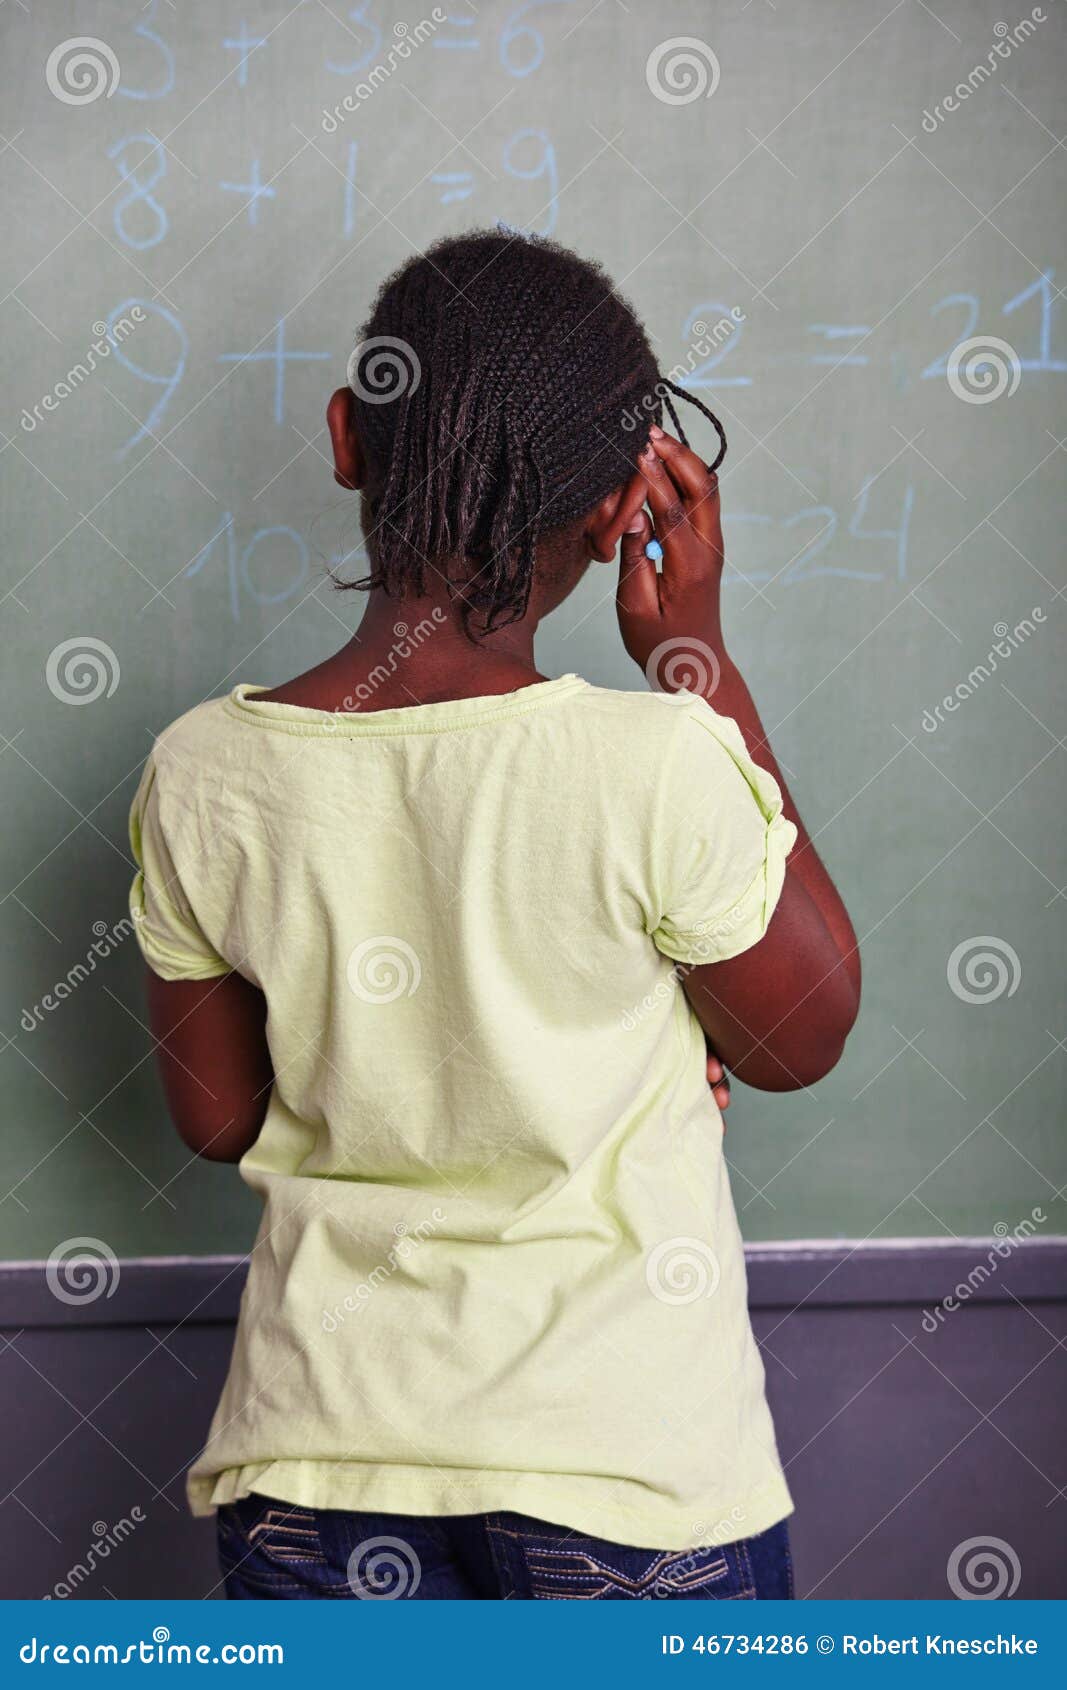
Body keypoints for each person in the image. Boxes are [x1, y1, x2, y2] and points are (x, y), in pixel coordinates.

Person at [129, 231, 859, 1600]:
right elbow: (800, 1035)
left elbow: (219, 1115)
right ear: (612, 512)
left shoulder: (201, 771)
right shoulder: (657, 758)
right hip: (625, 1469)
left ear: (349, 437)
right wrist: (696, 652)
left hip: (318, 1465)